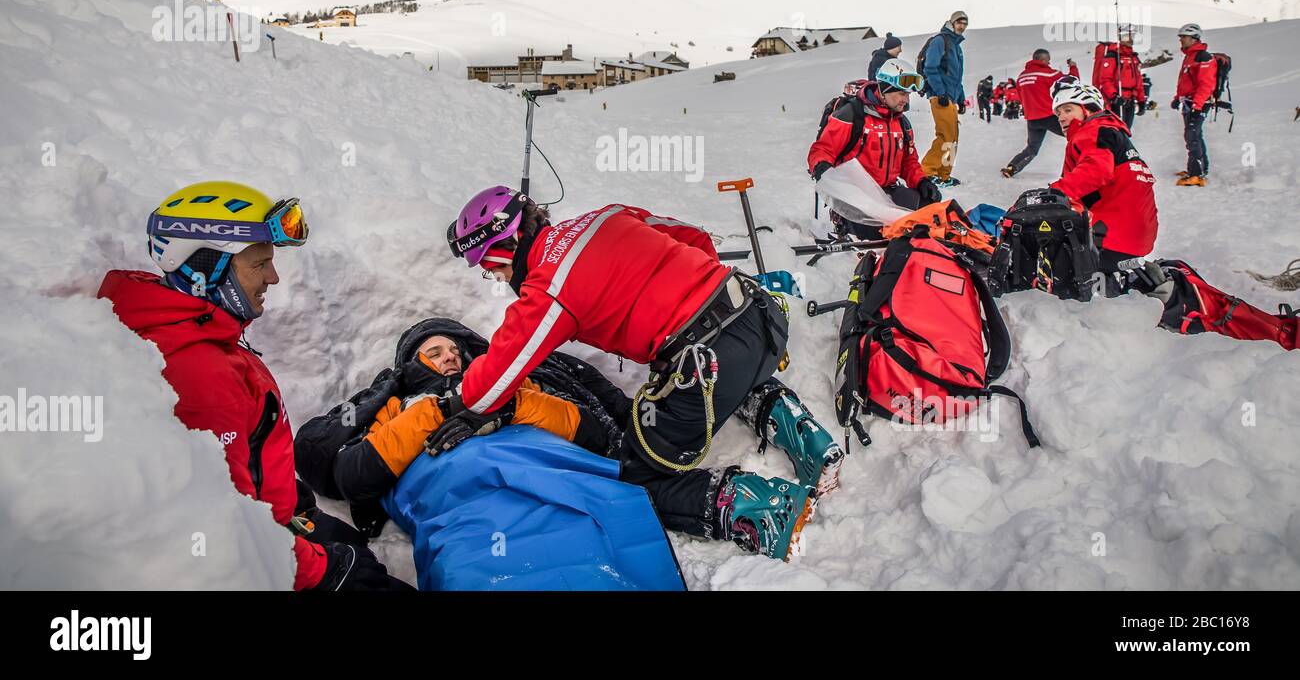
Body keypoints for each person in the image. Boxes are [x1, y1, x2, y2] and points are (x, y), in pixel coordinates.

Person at [444, 189, 844, 561]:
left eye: (491, 269)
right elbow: (696, 238)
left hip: (711, 356)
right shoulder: (606, 217)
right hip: (759, 315)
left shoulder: (549, 287)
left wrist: (455, 403)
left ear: (508, 247)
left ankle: (753, 505)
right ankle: (802, 432)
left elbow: (493, 381)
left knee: (633, 477)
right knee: (723, 370)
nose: (497, 279)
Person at [97, 181, 408, 590]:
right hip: (274, 558)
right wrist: (324, 572)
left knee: (349, 543)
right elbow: (223, 517)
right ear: (205, 267)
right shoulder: (198, 370)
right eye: (259, 264)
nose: (274, 277)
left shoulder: (192, 325)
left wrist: (288, 496)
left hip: (281, 518)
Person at [296, 318, 627, 528]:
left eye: (454, 350)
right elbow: (355, 475)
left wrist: (508, 407)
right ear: (412, 365)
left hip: (550, 486)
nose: (451, 356)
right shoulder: (398, 406)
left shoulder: (507, 385)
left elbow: (591, 434)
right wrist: (445, 409)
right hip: (464, 515)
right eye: (436, 352)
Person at [808, 58, 942, 239]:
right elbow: (823, 149)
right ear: (885, 89)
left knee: (930, 216)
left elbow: (908, 161)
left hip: (888, 191)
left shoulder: (901, 122)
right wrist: (822, 167)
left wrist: (921, 182)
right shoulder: (853, 115)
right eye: (902, 94)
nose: (906, 100)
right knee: (880, 234)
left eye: (908, 95)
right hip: (857, 194)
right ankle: (844, 223)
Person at [1049, 80, 1158, 292]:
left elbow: (1096, 171)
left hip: (1112, 238)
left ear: (1088, 108)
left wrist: (1054, 193)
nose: (1061, 117)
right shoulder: (1112, 132)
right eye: (1058, 113)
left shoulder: (1093, 131)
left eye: (1067, 109)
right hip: (1137, 236)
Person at [919, 11, 968, 186]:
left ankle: (944, 175)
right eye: (959, 22)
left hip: (951, 99)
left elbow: (956, 77)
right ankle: (927, 172)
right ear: (951, 23)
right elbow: (930, 68)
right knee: (945, 136)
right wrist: (940, 93)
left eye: (965, 24)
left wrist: (960, 99)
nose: (962, 26)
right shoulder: (941, 41)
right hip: (940, 98)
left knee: (953, 139)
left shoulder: (957, 47)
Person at [1001, 49, 1066, 178]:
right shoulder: (1050, 74)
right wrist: (1073, 67)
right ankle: (1070, 172)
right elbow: (1070, 83)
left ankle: (1011, 167)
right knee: (1075, 137)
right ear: (1042, 60)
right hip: (1050, 116)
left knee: (1032, 148)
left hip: (1033, 119)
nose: (1049, 63)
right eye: (1048, 60)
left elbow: (1020, 97)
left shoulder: (1021, 77)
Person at [1171, 23, 1217, 186]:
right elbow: (1185, 81)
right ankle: (1197, 169)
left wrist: (1197, 106)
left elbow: (1206, 84)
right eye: (1181, 37)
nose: (1181, 40)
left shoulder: (1203, 57)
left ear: (1194, 38)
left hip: (1198, 104)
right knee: (1194, 136)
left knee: (1192, 137)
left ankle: (1196, 174)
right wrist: (1178, 97)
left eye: (1184, 37)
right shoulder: (1189, 56)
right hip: (1189, 102)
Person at [1092, 24, 1146, 129]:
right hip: (1117, 101)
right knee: (1116, 131)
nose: (1130, 39)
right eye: (1127, 36)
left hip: (1130, 100)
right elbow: (1105, 79)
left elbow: (1138, 81)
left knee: (1126, 130)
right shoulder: (1113, 55)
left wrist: (1141, 100)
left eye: (1132, 36)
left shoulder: (1133, 57)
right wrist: (1114, 97)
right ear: (1120, 37)